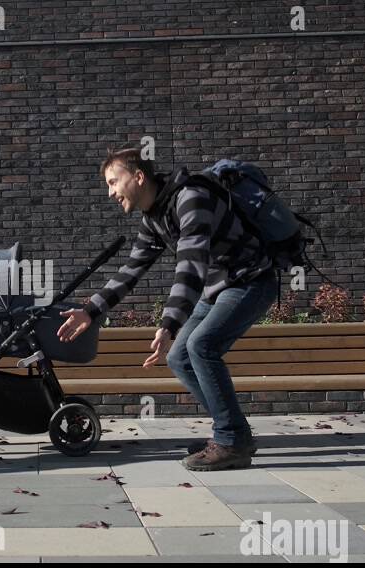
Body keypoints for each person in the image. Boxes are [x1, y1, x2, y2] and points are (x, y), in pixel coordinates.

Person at [57, 148, 278, 471]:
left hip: (250, 279)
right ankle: (235, 433)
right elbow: (132, 270)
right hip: (220, 285)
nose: (111, 192)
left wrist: (169, 324)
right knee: (179, 357)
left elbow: (190, 266)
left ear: (138, 176)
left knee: (201, 346)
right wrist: (91, 310)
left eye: (113, 182)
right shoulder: (154, 218)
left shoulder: (190, 198)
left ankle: (231, 441)